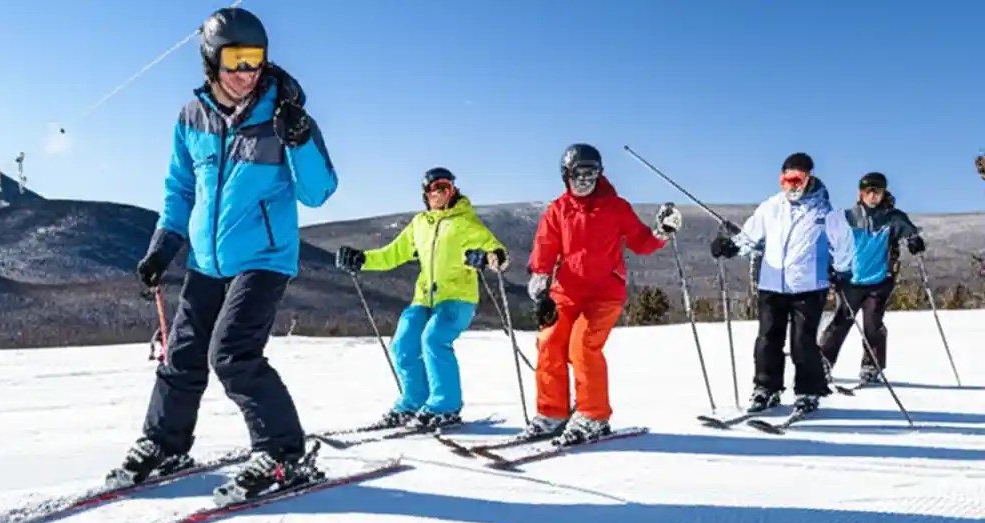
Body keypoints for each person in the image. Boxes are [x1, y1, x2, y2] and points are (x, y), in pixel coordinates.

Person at [118, 7, 338, 503]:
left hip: (263, 257)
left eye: (255, 59)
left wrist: (299, 140)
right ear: (211, 61)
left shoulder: (284, 114)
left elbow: (319, 191)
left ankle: (282, 453)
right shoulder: (191, 117)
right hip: (205, 260)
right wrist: (161, 249)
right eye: (236, 60)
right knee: (182, 354)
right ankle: (164, 443)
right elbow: (179, 190)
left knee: (233, 354)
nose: (247, 72)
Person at [525, 143, 678, 445]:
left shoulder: (616, 207)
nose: (584, 180)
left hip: (605, 292)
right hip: (566, 291)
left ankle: (593, 416)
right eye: (578, 174)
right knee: (550, 342)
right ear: (565, 175)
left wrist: (661, 232)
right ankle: (552, 412)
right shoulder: (558, 210)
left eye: (591, 173)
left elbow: (641, 242)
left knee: (582, 346)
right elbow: (545, 246)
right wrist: (540, 278)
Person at [334, 168, 508, 429]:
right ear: (425, 194)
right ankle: (413, 402)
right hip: (424, 299)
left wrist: (487, 258)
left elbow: (498, 254)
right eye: (435, 188)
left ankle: (446, 405)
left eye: (445, 187)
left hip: (457, 299)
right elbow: (392, 255)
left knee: (434, 338)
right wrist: (362, 259)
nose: (440, 193)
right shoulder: (420, 224)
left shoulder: (466, 223)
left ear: (453, 190)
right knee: (403, 344)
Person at [711, 152, 854, 413]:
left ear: (808, 178)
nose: (792, 186)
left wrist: (842, 272)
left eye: (797, 180)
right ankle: (766, 388)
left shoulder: (825, 212)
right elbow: (750, 237)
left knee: (802, 342)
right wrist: (731, 247)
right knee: (767, 340)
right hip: (772, 285)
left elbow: (842, 247)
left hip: (809, 287)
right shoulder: (770, 207)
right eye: (786, 180)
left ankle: (809, 391)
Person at [818, 172, 924, 383]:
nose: (873, 196)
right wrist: (830, 268)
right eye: (869, 191)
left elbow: (910, 233)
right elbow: (831, 242)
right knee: (841, 321)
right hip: (850, 280)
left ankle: (871, 365)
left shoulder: (893, 217)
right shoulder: (846, 216)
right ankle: (823, 363)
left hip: (880, 280)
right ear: (861, 193)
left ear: (884, 193)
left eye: (878, 191)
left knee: (873, 323)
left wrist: (914, 241)